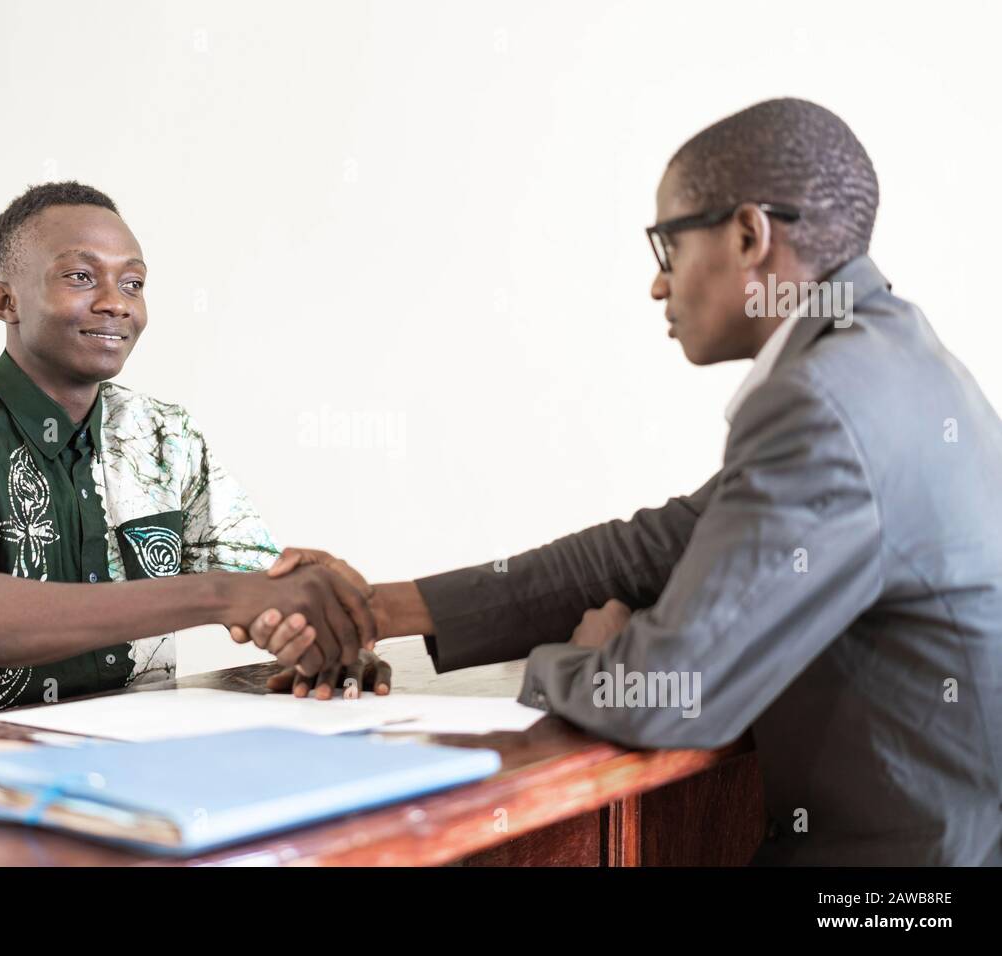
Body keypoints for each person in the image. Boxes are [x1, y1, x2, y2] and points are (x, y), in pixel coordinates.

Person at [248, 99, 1002, 865]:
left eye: (667, 247)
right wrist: (369, 610)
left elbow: (672, 694)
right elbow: (649, 551)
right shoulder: (892, 363)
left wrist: (576, 658)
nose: (655, 285)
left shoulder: (820, 403)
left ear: (749, 235)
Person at [0, 182, 384, 734]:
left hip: (126, 752)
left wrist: (325, 630)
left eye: (133, 283)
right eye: (81, 277)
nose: (116, 302)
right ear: (6, 301)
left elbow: (266, 589)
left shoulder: (162, 435)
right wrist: (221, 595)